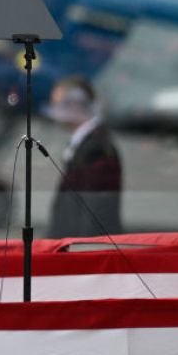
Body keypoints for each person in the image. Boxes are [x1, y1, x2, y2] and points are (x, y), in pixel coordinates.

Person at [46, 76, 123, 239]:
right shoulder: (90, 143)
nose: (54, 110)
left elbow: (95, 209)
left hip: (83, 245)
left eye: (57, 104)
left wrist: (83, 247)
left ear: (75, 104)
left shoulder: (95, 148)